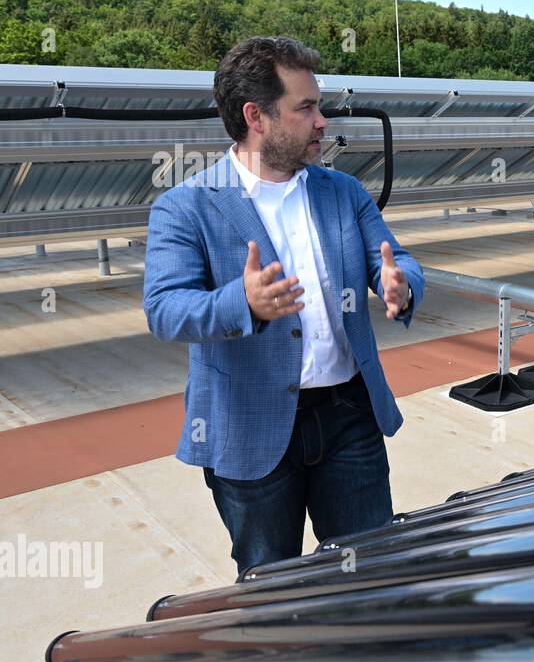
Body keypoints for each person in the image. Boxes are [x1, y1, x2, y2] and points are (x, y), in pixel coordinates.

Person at [143, 36, 424, 576]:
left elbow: (396, 259)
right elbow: (165, 309)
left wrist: (399, 282)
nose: (322, 121)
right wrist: (240, 303)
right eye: (306, 107)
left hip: (347, 417)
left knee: (369, 570)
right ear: (258, 117)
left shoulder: (342, 191)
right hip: (249, 429)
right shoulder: (187, 207)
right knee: (270, 581)